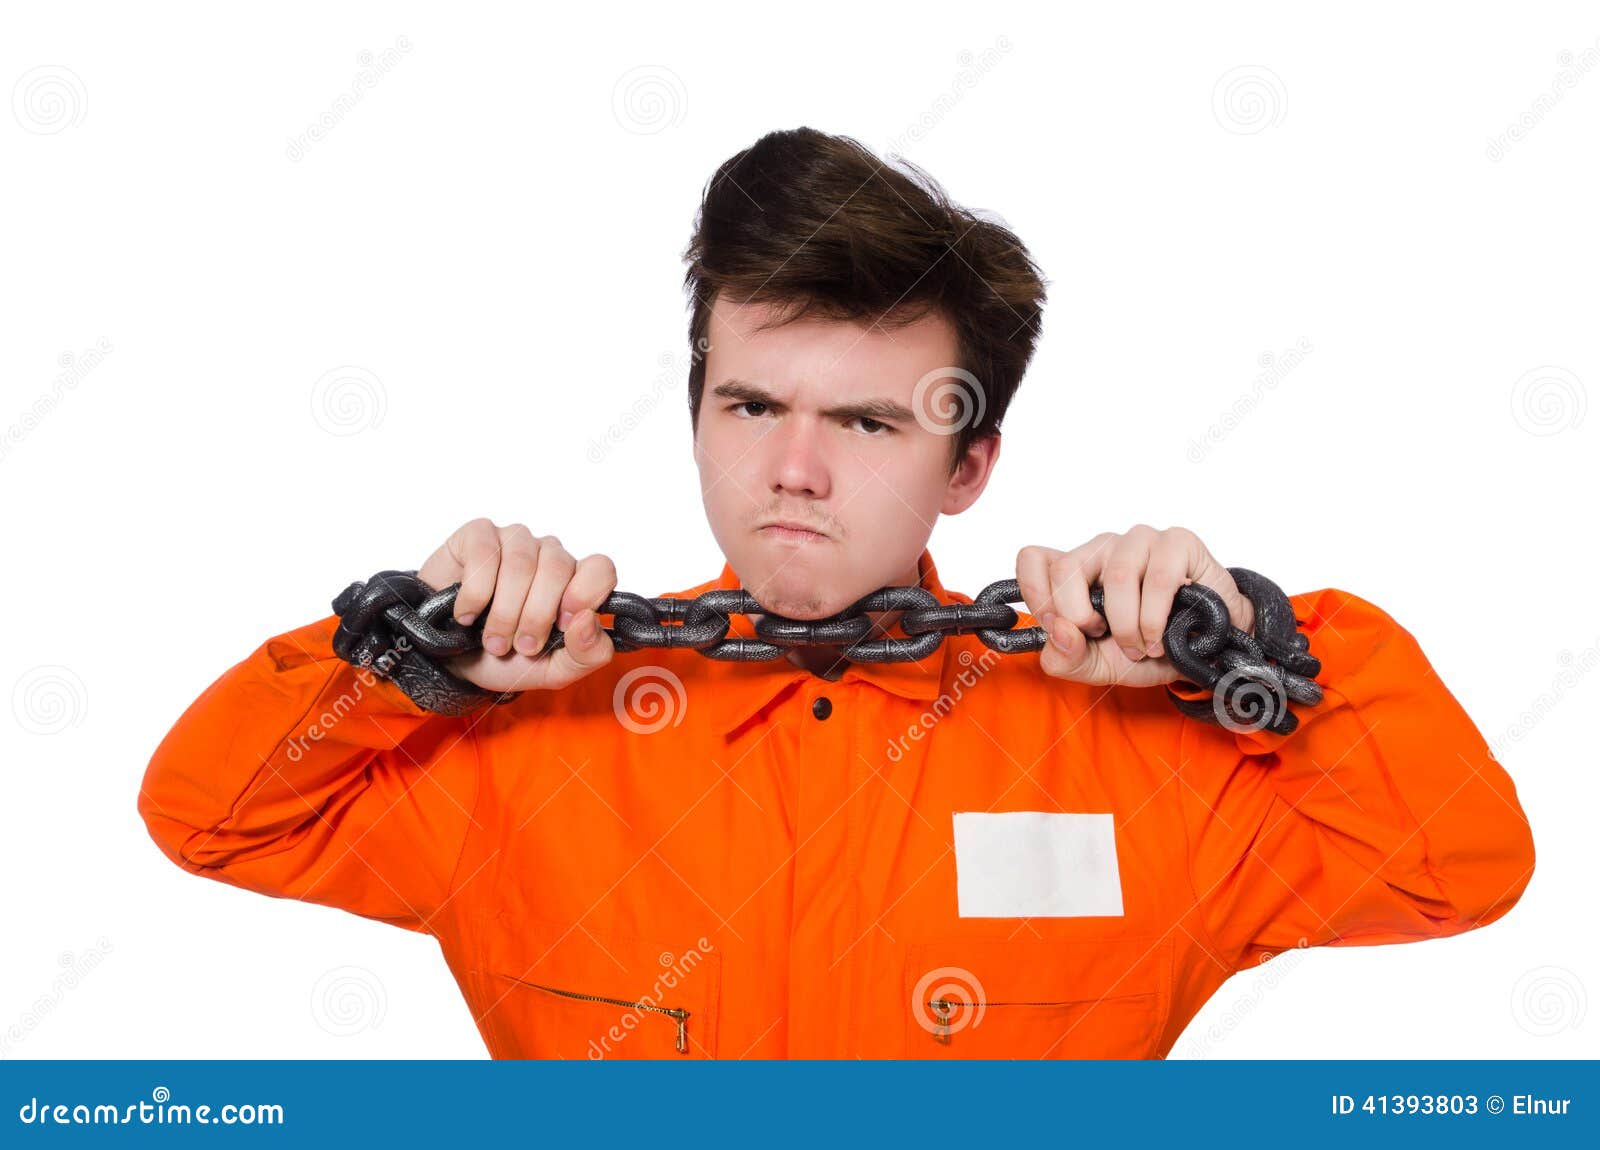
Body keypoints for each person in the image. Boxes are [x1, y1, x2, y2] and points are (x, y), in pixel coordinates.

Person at [138, 127, 1535, 1059]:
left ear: (969, 462)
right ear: (693, 413)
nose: (792, 468)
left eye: (868, 423)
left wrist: (1263, 651)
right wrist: (401, 661)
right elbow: (210, 815)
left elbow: (1459, 868)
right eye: (750, 403)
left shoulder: (1159, 759)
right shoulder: (511, 744)